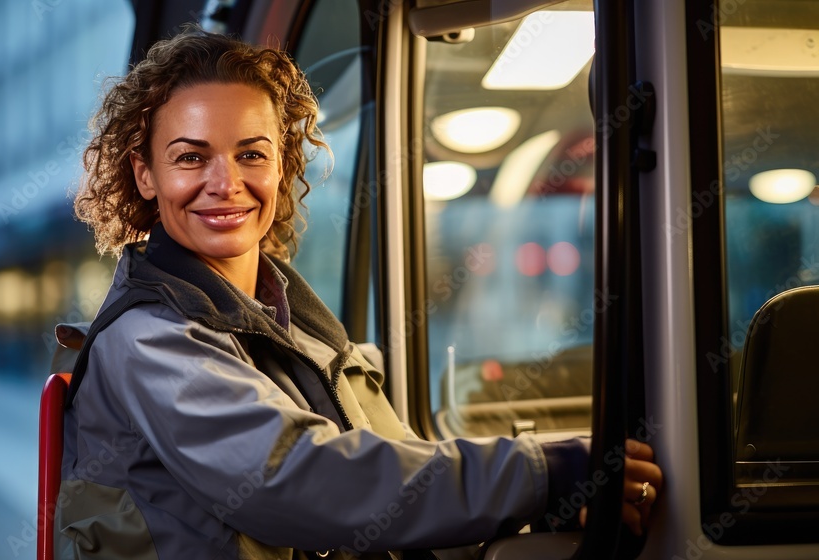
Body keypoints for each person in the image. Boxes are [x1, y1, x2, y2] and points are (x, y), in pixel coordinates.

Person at [55, 28, 663, 559]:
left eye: (251, 154)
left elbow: (391, 466)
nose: (226, 183)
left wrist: (541, 503)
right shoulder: (150, 337)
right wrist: (543, 473)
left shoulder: (289, 318)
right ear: (145, 174)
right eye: (192, 158)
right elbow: (297, 477)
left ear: (282, 164)